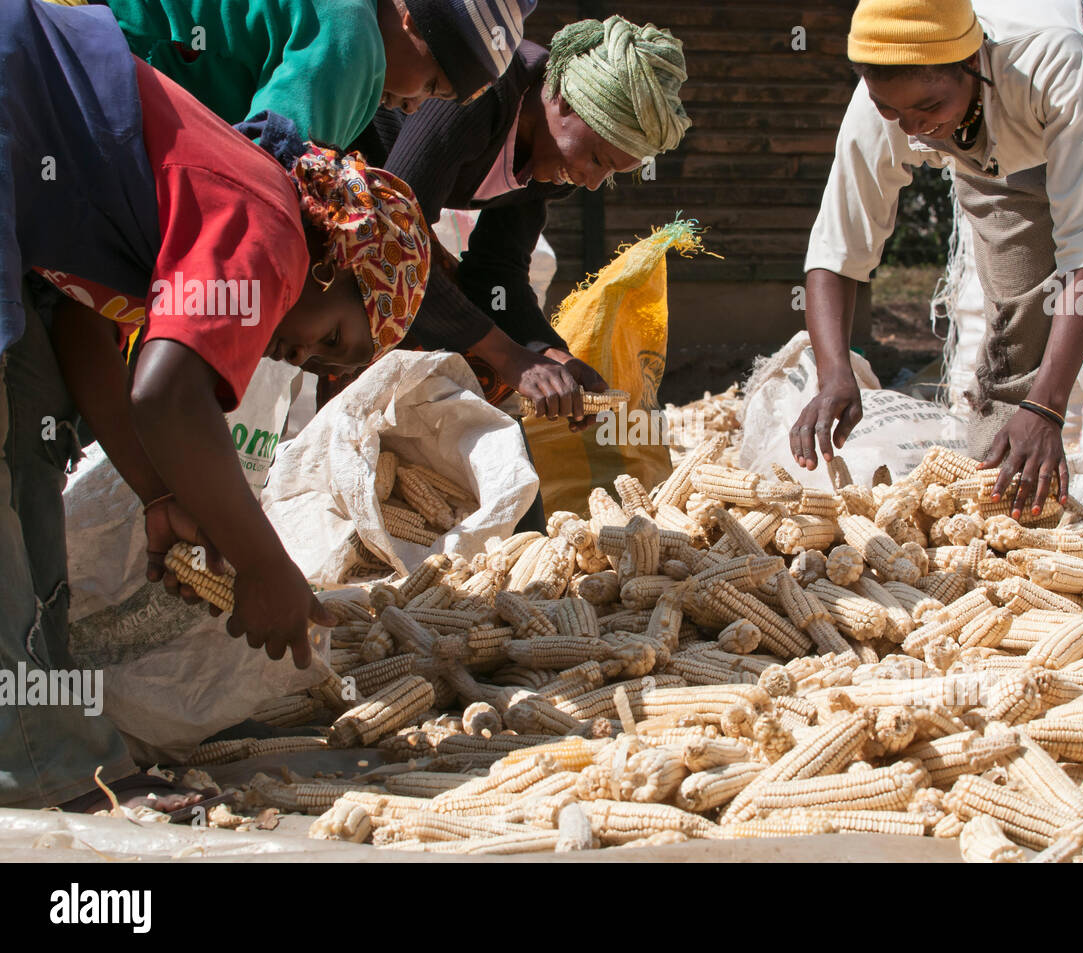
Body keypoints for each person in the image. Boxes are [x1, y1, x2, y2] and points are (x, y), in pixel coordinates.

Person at [1, 0, 432, 812]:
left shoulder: (226, 213)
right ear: (334, 264)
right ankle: (43, 766)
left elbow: (91, 348)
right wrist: (267, 566)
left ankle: (49, 745)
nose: (305, 359)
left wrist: (161, 494)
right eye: (336, 340)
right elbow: (166, 393)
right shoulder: (271, 224)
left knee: (25, 448)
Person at [792, 0, 1083, 555]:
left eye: (929, 106)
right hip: (1001, 149)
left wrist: (1049, 407)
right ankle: (1005, 549)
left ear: (972, 60)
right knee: (1014, 342)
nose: (914, 127)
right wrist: (834, 373)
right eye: (893, 111)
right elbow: (837, 249)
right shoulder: (887, 97)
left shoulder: (1049, 54)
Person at [349, 15, 691, 424]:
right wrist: (512, 358)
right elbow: (392, 247)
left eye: (612, 173)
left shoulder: (551, 165)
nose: (594, 182)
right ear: (563, 101)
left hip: (388, 235)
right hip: (349, 221)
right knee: (378, 338)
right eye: (598, 159)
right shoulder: (481, 91)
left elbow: (496, 273)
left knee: (486, 370)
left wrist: (548, 351)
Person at [49, 0, 537, 151]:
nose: (413, 106)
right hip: (76, 80)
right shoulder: (356, 43)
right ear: (411, 18)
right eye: (432, 85)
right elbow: (266, 175)